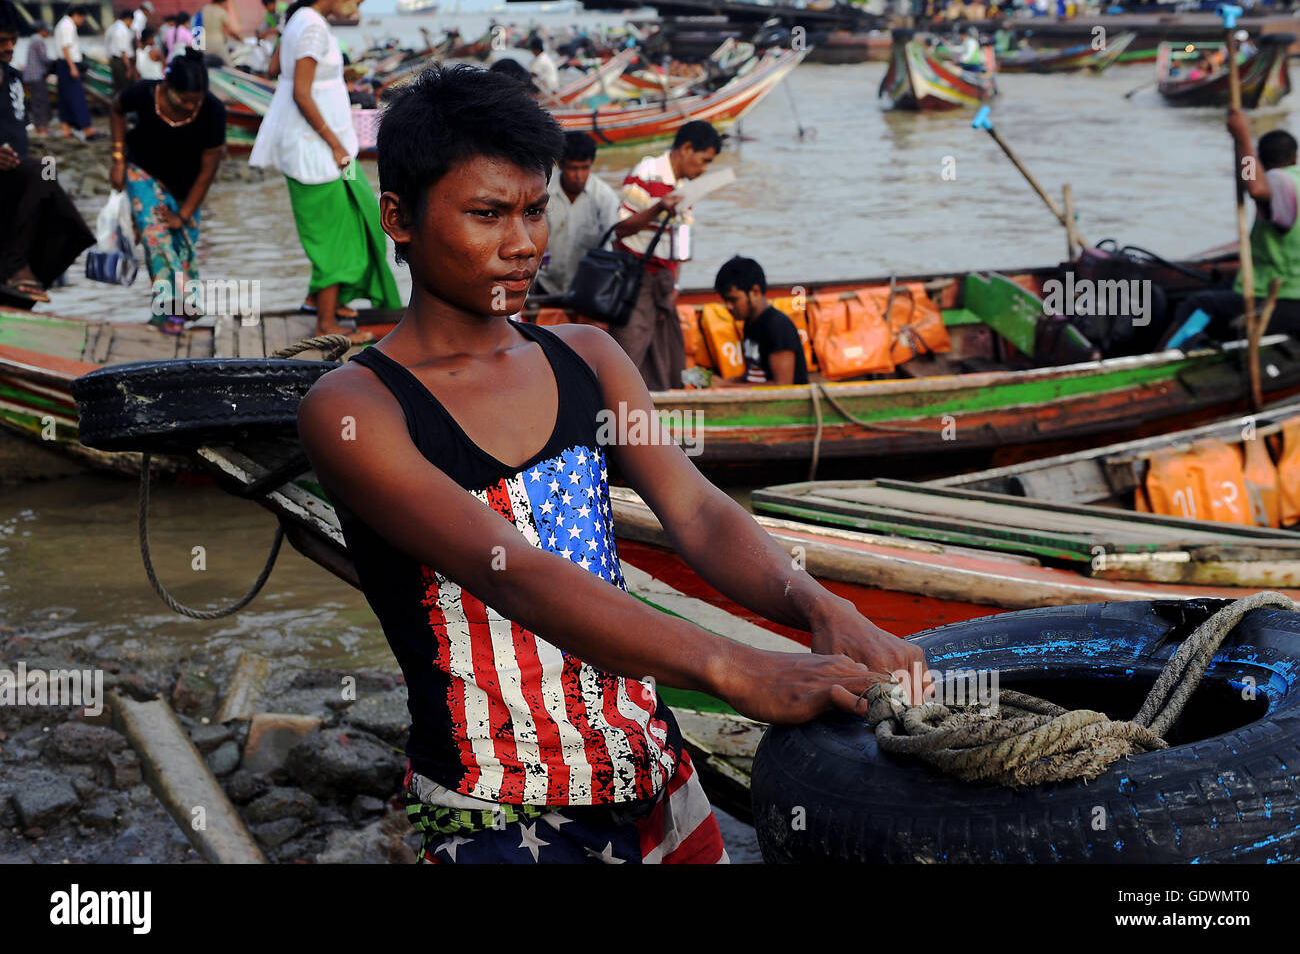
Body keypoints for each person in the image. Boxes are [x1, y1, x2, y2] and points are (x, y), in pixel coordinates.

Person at [296, 64, 922, 865]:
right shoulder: (355, 408)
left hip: (655, 776)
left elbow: (694, 510)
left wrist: (816, 603)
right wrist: (734, 665)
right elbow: (513, 570)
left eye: (532, 210)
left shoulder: (588, 356)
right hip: (496, 811)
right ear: (399, 218)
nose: (522, 244)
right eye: (487, 214)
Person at [249, 0, 399, 342]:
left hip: (333, 151)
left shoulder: (301, 19)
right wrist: (333, 145)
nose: (359, 7)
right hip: (320, 153)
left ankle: (324, 299)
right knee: (334, 237)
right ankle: (325, 324)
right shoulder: (313, 26)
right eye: (358, 0)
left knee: (362, 215)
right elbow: (302, 93)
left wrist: (333, 77)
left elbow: (276, 68)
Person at [110, 48, 226, 331]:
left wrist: (184, 214)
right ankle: (175, 311)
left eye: (196, 101)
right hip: (143, 174)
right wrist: (117, 157)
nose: (191, 107)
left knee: (181, 247)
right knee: (157, 241)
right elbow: (116, 108)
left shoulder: (212, 110)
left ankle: (167, 313)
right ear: (167, 87)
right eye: (184, 100)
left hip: (187, 186)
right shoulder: (144, 93)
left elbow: (209, 169)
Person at [1165, 114, 1300, 348]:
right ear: (1295, 158)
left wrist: (1243, 137)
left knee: (1195, 305)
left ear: (1260, 161)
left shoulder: (1279, 179)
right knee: (1218, 291)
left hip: (1282, 298)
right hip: (1282, 291)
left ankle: (1157, 361)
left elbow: (1255, 188)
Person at [611, 120, 721, 391]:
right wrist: (659, 207)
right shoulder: (647, 172)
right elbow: (620, 229)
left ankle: (659, 414)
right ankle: (620, 418)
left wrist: (675, 286)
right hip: (636, 277)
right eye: (704, 161)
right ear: (685, 149)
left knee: (668, 356)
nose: (705, 170)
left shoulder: (685, 185)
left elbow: (681, 244)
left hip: (664, 280)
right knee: (629, 354)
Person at [0, 0, 94, 305]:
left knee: (68, 221)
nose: (9, 48)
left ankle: (23, 282)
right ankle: (15, 268)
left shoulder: (11, 77)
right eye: (2, 42)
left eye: (12, 41)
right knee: (43, 170)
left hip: (17, 174)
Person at [535, 131, 619, 295]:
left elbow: (614, 241)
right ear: (560, 164)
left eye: (584, 168)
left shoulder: (604, 197)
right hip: (544, 282)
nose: (579, 176)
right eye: (573, 168)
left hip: (588, 288)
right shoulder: (542, 191)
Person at [712, 256, 809, 386]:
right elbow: (754, 374)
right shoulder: (750, 324)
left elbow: (783, 387)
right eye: (726, 301)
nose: (729, 306)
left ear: (755, 292)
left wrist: (726, 386)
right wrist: (723, 382)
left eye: (733, 300)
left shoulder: (778, 326)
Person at [53, 7, 95, 141]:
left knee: (65, 96)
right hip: (68, 63)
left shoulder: (63, 24)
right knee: (77, 96)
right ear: (77, 15)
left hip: (64, 63)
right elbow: (65, 47)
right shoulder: (67, 25)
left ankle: (66, 127)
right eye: (82, 18)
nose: (82, 21)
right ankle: (87, 129)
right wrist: (72, 67)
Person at [20, 21, 50, 138]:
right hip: (37, 75)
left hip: (31, 76)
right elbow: (44, 58)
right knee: (41, 102)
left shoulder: (33, 39)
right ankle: (42, 128)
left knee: (36, 101)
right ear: (41, 30)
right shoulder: (38, 39)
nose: (48, 33)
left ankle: (38, 127)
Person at [198, 0, 241, 66]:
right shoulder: (221, 11)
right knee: (229, 65)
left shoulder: (205, 9)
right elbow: (230, 31)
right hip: (217, 43)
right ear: (223, 1)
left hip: (204, 43)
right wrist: (239, 39)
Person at [105, 8, 136, 94]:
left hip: (114, 61)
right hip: (122, 62)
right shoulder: (123, 30)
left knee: (117, 87)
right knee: (126, 87)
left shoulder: (112, 27)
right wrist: (129, 68)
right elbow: (123, 52)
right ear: (129, 19)